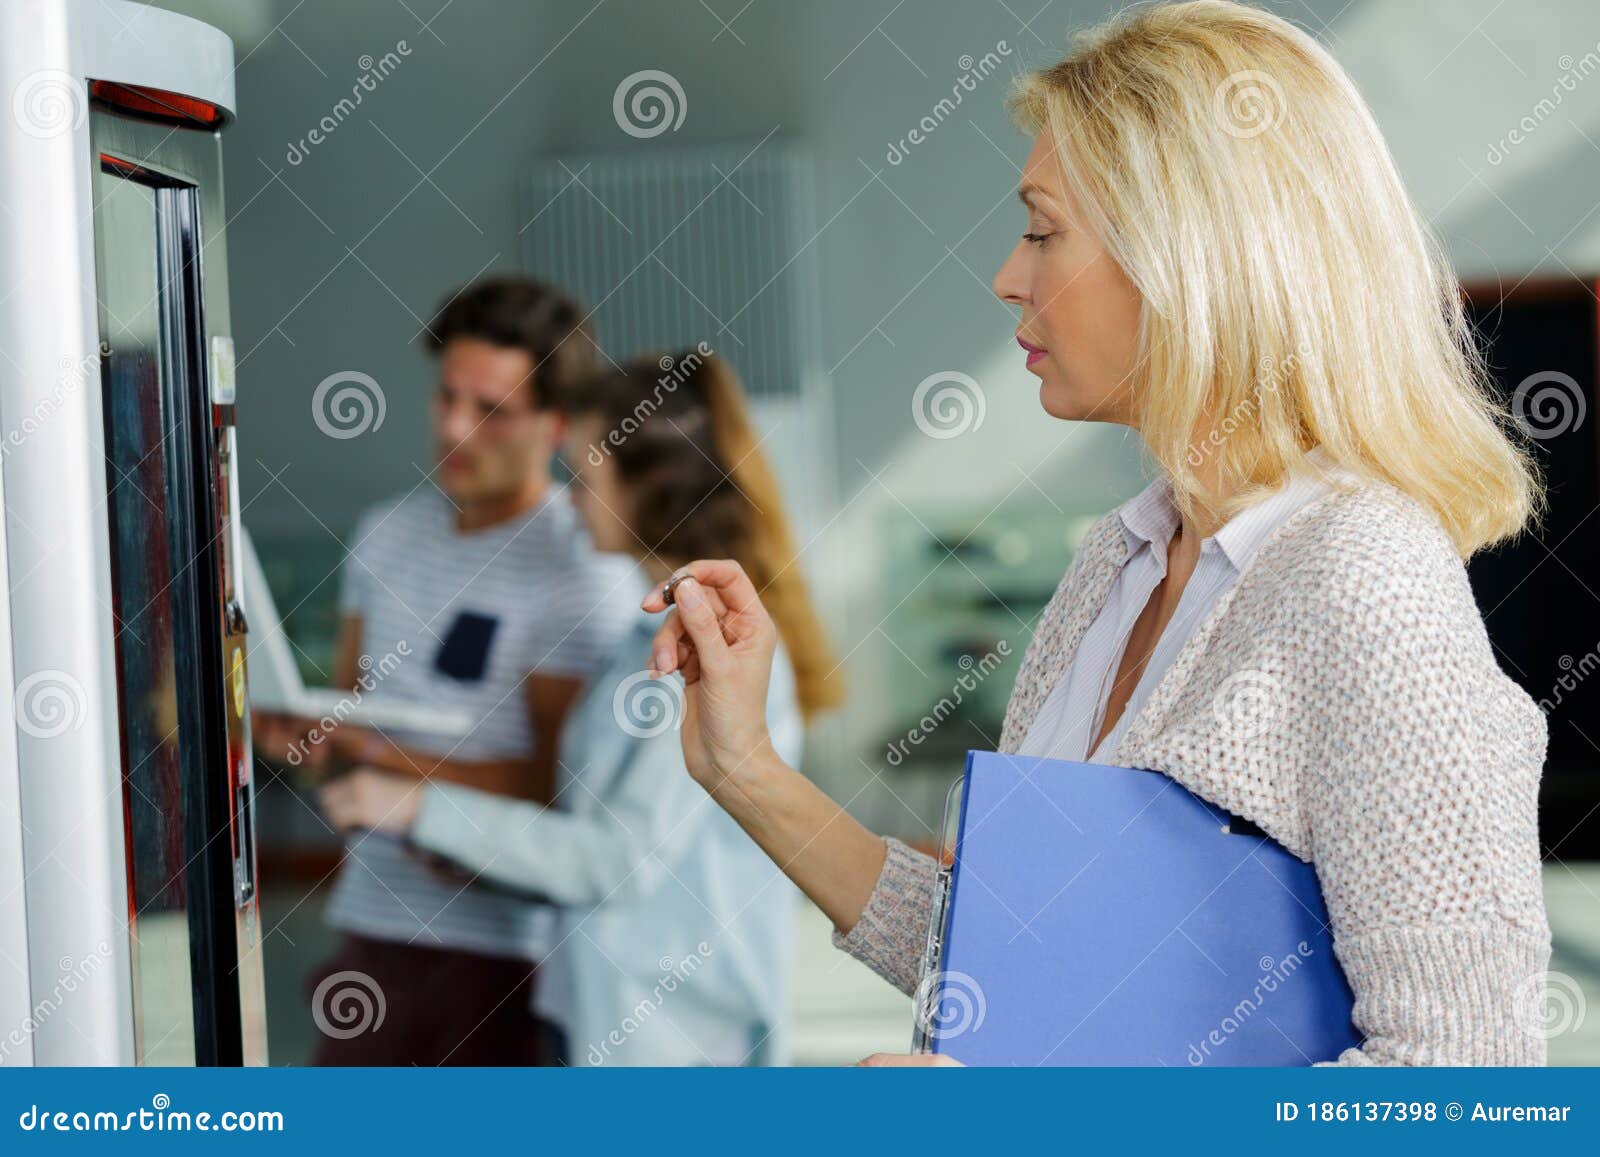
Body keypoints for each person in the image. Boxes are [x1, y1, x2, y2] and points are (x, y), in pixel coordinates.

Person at [638, 1, 1551, 1066]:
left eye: (1041, 230)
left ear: (1190, 253)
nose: (1007, 276)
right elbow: (1026, 965)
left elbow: (1460, 1082)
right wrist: (744, 765)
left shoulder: (1365, 580)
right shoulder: (1115, 564)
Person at [320, 348, 842, 1065]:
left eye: (585, 479)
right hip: (609, 1015)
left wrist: (416, 808)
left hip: (676, 1042)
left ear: (650, 488)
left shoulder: (710, 649)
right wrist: (473, 853)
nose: (570, 502)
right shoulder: (643, 639)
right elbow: (599, 840)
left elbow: (618, 860)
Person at [259, 276, 638, 1065]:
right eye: (446, 397)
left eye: (491, 410)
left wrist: (373, 756)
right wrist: (301, 737)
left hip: (504, 956)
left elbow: (556, 790)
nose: (455, 428)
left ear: (555, 425)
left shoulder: (581, 570)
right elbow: (348, 725)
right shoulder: (385, 533)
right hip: (370, 925)